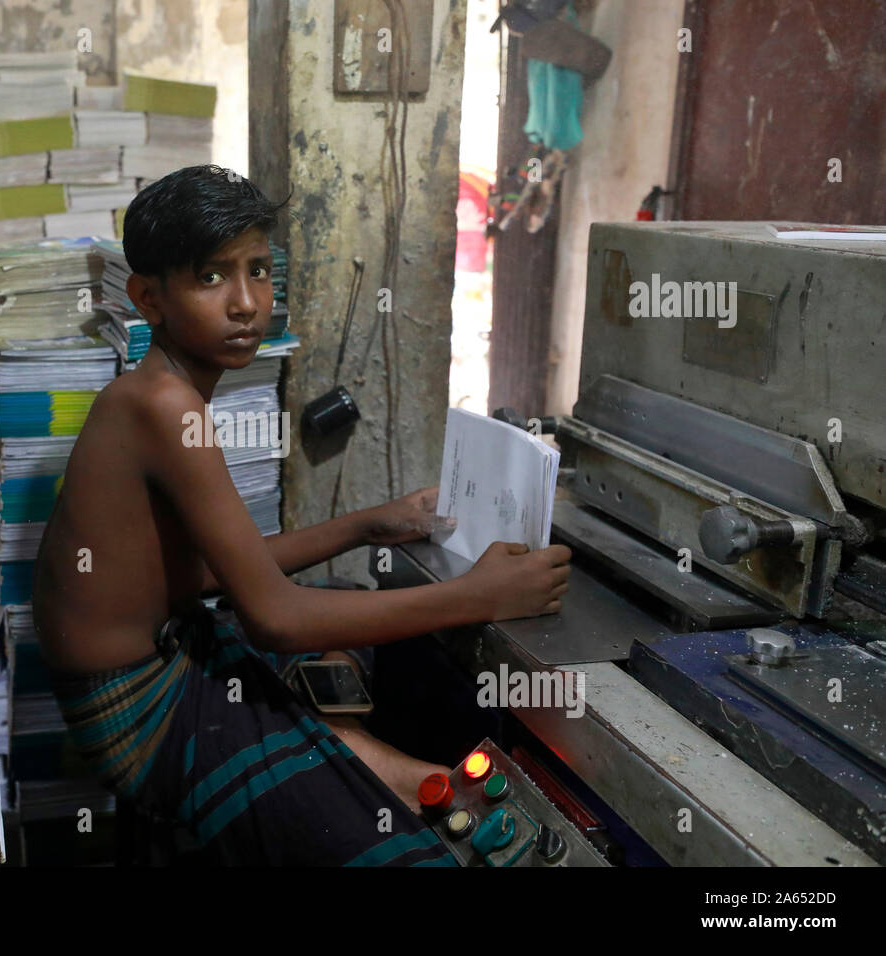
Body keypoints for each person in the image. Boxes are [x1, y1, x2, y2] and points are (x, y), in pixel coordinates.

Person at [32, 165, 572, 865]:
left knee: (384, 758)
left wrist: (364, 524)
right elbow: (274, 618)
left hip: (171, 647)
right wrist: (476, 596)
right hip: (140, 711)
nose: (246, 302)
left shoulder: (162, 393)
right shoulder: (162, 406)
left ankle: (410, 781)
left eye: (259, 271)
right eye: (211, 277)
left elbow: (193, 571)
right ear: (148, 298)